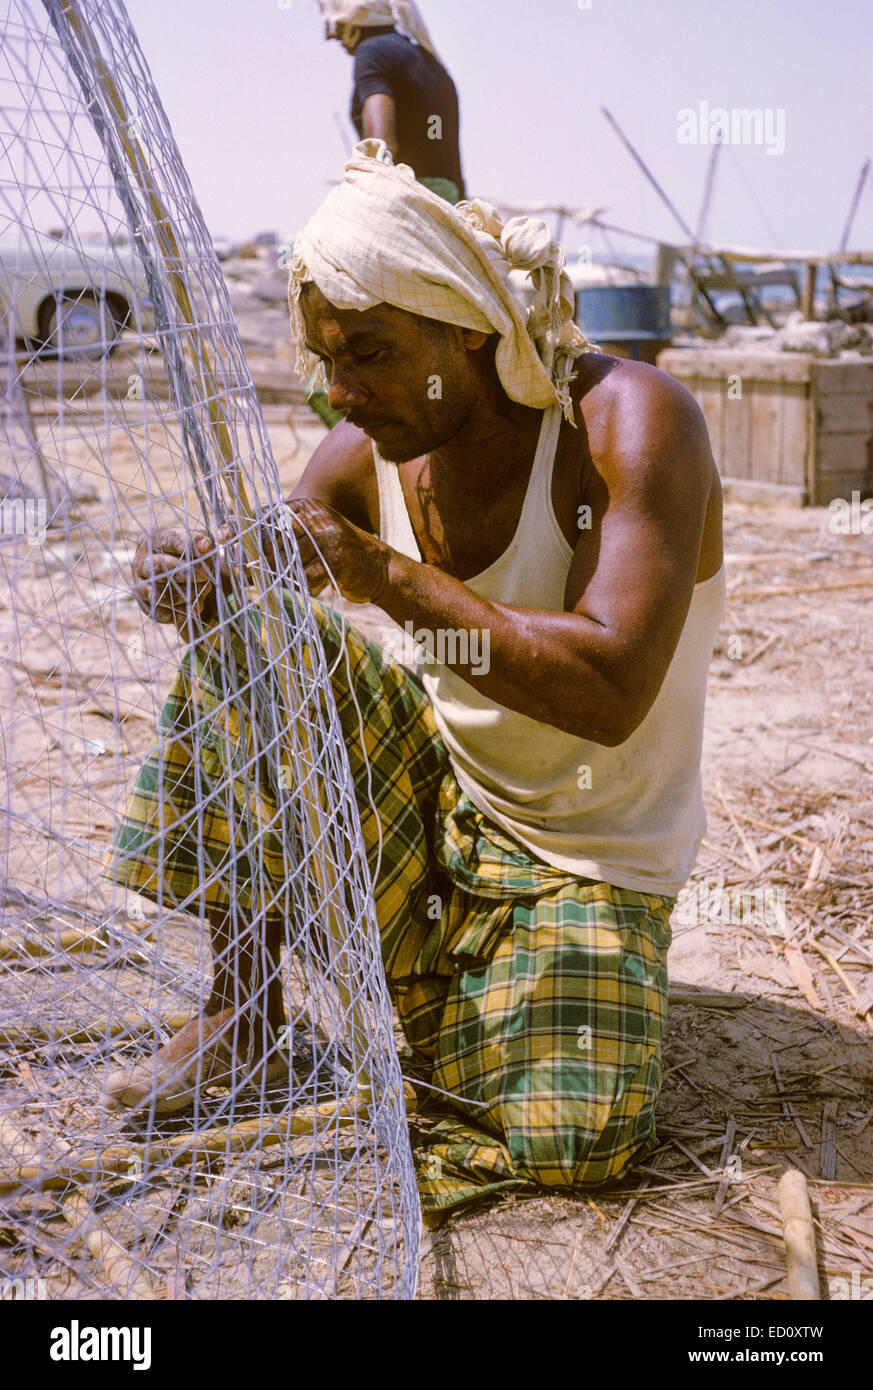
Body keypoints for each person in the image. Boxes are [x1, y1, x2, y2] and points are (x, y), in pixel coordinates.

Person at [103, 142, 725, 1224]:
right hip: (443, 808)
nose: (342, 391)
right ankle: (245, 1006)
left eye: (375, 353)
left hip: (591, 853)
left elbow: (614, 681)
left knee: (575, 1141)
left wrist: (386, 573)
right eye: (327, 360)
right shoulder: (367, 447)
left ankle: (466, 999)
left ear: (467, 326)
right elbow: (264, 584)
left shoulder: (629, 423)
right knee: (254, 639)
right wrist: (202, 577)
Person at [321, 0, 465, 204]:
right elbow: (450, 163)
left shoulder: (371, 52)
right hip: (447, 208)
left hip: (407, 206)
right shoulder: (433, 64)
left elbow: (380, 148)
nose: (329, 35)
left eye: (332, 18)